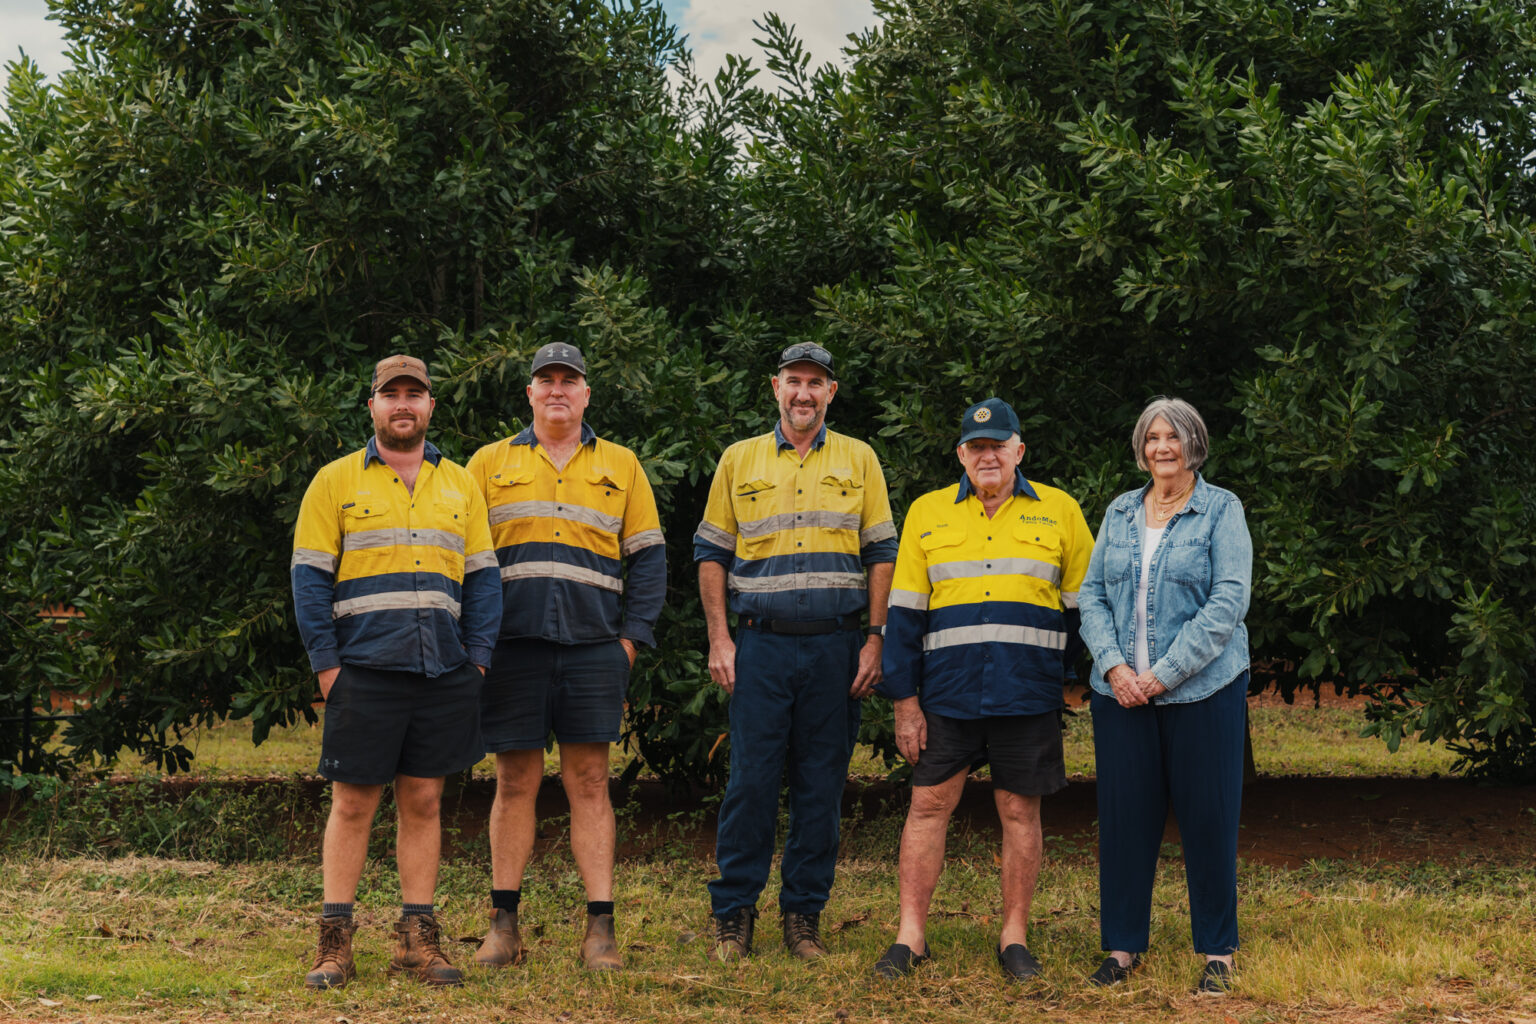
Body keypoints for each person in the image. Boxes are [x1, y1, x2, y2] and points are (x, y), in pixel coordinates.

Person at [290, 354, 501, 989]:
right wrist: (329, 670)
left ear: (431, 406)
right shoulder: (334, 481)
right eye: (391, 395)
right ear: (373, 405)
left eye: (415, 394)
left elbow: (484, 579)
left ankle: (417, 938)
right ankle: (335, 942)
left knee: (425, 799)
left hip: (442, 670)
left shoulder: (461, 483)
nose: (403, 404)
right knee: (353, 803)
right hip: (362, 670)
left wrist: (479, 660)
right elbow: (308, 581)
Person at [872, 397, 1093, 982]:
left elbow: (1086, 610)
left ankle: (1014, 938)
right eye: (976, 447)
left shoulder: (1061, 512)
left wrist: (1071, 682)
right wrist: (905, 702)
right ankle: (910, 937)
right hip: (947, 694)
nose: (987, 455)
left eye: (998, 445)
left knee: (1020, 811)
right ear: (961, 456)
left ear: (1020, 449)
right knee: (927, 807)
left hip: (1027, 694)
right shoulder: (927, 512)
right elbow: (905, 614)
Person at [465, 342, 665, 971]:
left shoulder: (623, 464)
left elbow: (650, 558)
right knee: (514, 781)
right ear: (529, 393)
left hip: (593, 649)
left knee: (590, 782)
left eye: (568, 381)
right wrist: (475, 641)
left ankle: (600, 931)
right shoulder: (487, 463)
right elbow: (463, 559)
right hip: (512, 649)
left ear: (586, 394)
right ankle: (503, 926)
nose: (557, 390)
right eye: (545, 380)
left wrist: (630, 637)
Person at [694, 342, 897, 961]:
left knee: (821, 786)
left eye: (816, 383)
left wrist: (875, 638)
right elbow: (712, 554)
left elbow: (881, 553)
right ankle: (733, 915)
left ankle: (803, 916)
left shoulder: (859, 459)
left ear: (830, 392)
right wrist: (720, 637)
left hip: (838, 649)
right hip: (760, 647)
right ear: (774, 387)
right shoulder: (740, 459)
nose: (803, 392)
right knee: (750, 784)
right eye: (793, 381)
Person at [1076, 396, 1252, 996]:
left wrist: (1165, 673)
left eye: (1172, 437)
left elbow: (1229, 600)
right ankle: (1122, 948)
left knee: (1208, 820)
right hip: (1121, 695)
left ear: (1192, 443)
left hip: (1203, 691)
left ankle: (1218, 953)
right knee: (1125, 824)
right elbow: (1092, 593)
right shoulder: (1121, 510)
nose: (1161, 448)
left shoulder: (1221, 509)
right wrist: (1115, 666)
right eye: (1151, 438)